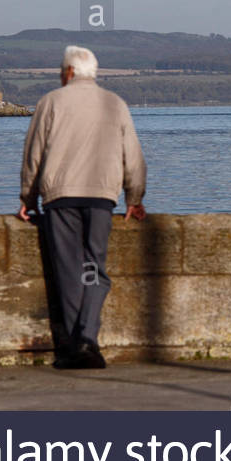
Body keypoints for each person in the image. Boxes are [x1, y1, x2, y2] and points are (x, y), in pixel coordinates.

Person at [18, 46, 147, 369]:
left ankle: (76, 346)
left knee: (68, 272)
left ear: (70, 73)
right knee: (94, 269)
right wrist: (134, 197)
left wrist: (27, 197)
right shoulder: (114, 103)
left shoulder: (50, 102)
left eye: (62, 71)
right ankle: (88, 337)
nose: (61, 76)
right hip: (102, 196)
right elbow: (133, 156)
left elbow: (34, 154)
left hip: (60, 196)